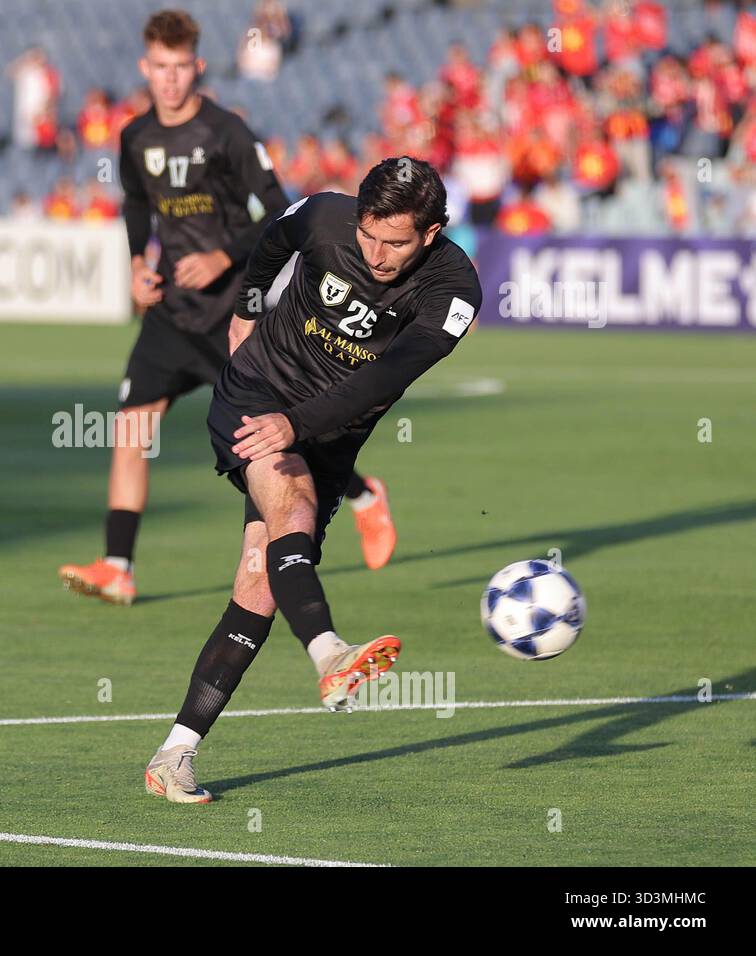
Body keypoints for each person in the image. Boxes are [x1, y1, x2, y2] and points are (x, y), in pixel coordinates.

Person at [144, 158, 482, 803]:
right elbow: (270, 242)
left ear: (432, 233)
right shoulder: (326, 216)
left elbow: (382, 379)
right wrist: (245, 310)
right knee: (292, 510)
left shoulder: (453, 291)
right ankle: (329, 654)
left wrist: (297, 425)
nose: (379, 255)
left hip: (322, 431)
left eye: (397, 242)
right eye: (370, 236)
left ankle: (174, 755)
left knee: (258, 588)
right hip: (256, 393)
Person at [58, 10, 396, 609]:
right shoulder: (135, 136)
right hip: (169, 315)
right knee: (130, 431)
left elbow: (281, 212)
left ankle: (365, 494)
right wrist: (139, 262)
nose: (169, 79)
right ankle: (118, 567)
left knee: (268, 442)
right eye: (159, 68)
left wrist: (220, 255)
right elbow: (137, 203)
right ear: (145, 67)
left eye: (180, 67)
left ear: (199, 66)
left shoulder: (228, 133)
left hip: (232, 315)